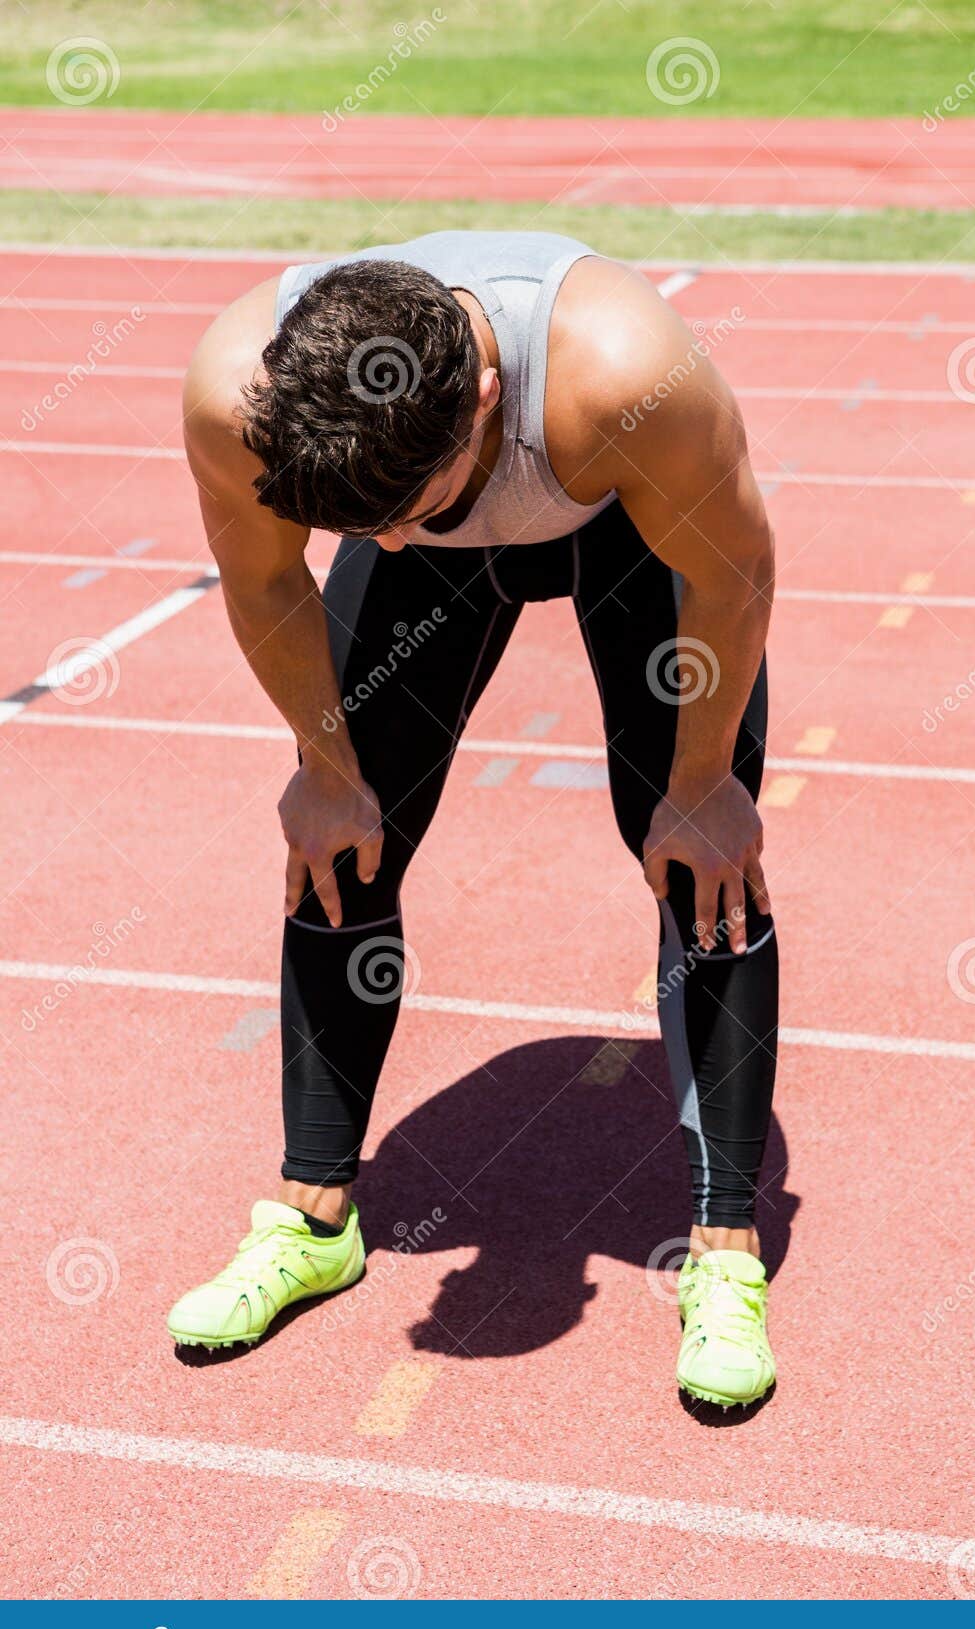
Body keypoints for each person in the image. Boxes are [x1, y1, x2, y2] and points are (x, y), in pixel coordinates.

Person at [170, 231, 778, 1407]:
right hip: (439, 522)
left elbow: (731, 571)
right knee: (340, 843)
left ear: (483, 400)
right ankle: (313, 1218)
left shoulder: (627, 375)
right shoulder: (237, 393)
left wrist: (702, 786)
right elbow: (263, 577)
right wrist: (323, 762)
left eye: (404, 508)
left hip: (619, 521)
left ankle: (723, 1246)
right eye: (368, 522)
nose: (388, 540)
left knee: (701, 862)